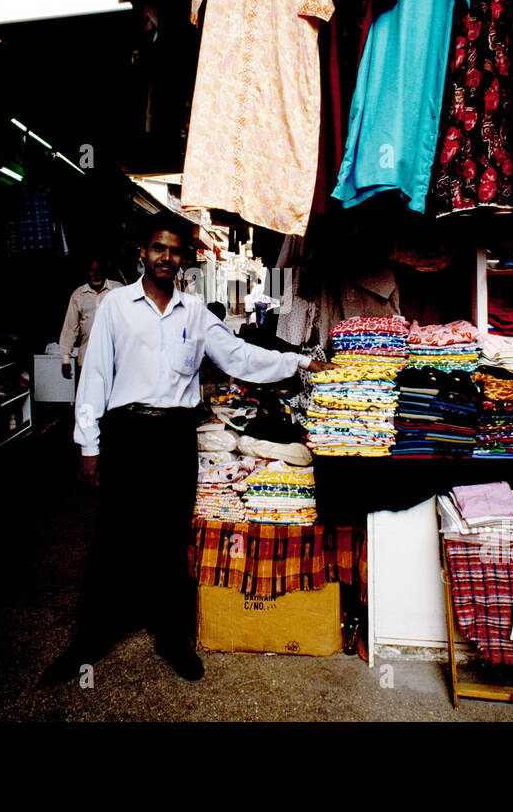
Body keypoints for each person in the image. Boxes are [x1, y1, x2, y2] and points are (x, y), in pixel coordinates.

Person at [41, 216, 335, 684]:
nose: (165, 257)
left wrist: (300, 360)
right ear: (144, 251)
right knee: (113, 537)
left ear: (184, 258)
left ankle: (173, 639)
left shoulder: (195, 313)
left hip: (175, 436)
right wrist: (88, 445)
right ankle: (89, 641)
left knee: (170, 536)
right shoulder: (116, 305)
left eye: (174, 251)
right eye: (158, 247)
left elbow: (239, 357)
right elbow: (94, 376)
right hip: (127, 431)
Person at [58, 258, 122, 383]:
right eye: (92, 271)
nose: (96, 274)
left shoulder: (118, 290)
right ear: (87, 272)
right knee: (88, 399)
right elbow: (69, 328)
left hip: (113, 359)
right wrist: (65, 360)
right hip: (87, 359)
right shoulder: (78, 295)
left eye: (99, 270)